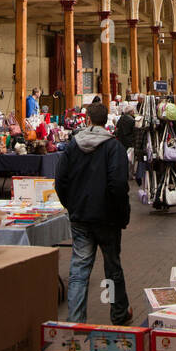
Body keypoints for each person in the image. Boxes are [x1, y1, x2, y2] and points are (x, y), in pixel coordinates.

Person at [55, 100, 132, 326]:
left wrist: (72, 205)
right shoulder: (113, 148)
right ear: (106, 121)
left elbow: (60, 181)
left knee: (79, 270)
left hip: (81, 218)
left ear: (87, 119)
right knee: (111, 268)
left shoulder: (72, 147)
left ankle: (75, 320)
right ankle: (116, 313)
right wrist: (121, 214)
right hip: (107, 219)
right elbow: (118, 185)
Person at [115, 100, 136, 172]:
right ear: (130, 112)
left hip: (121, 139)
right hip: (129, 141)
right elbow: (134, 131)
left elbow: (117, 126)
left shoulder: (122, 118)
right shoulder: (132, 120)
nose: (134, 112)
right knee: (129, 158)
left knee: (123, 156)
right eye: (133, 111)